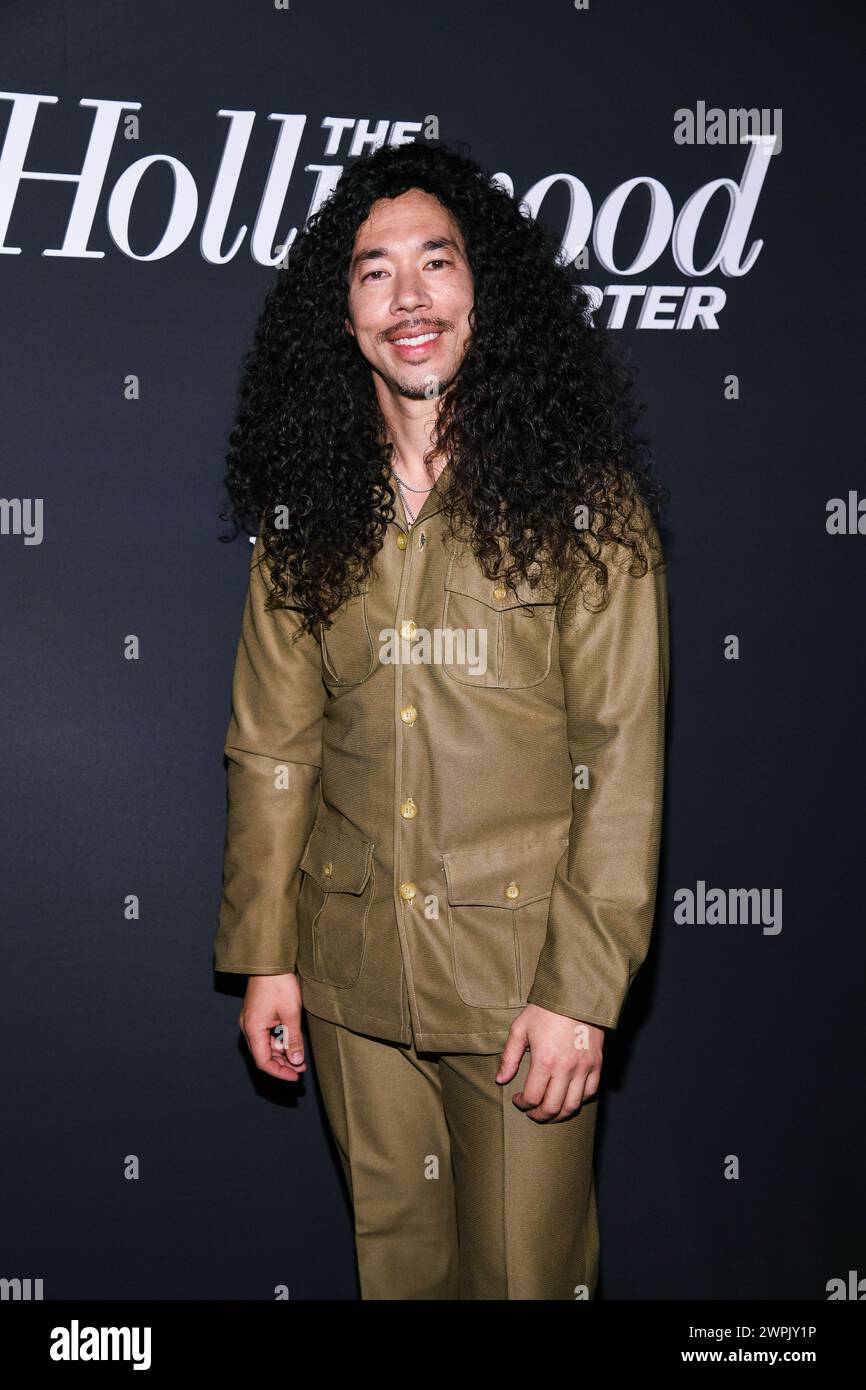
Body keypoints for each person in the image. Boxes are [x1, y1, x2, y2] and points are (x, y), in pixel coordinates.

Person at [214, 139, 670, 1300]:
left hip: (521, 988)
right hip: (354, 984)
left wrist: (580, 990)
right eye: (373, 273)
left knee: (524, 1281)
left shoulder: (585, 507)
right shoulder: (305, 520)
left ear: (484, 291)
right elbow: (274, 747)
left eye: (436, 263)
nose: (408, 299)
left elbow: (617, 760)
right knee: (398, 1277)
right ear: (345, 315)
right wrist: (267, 955)